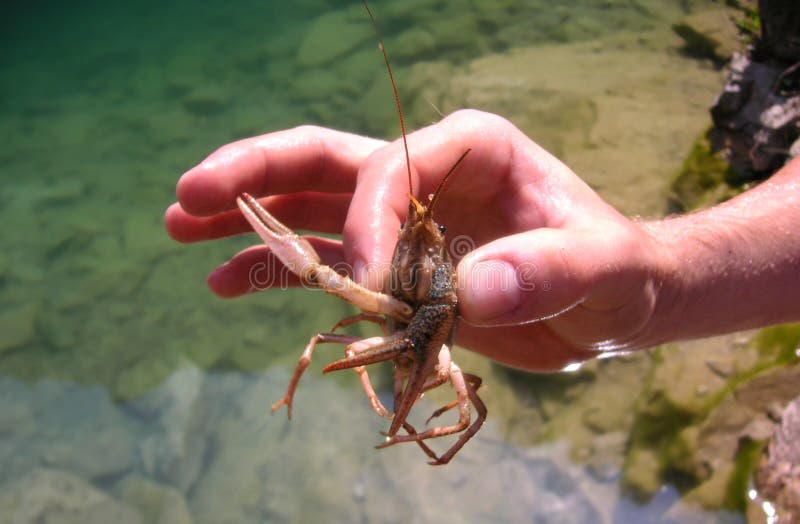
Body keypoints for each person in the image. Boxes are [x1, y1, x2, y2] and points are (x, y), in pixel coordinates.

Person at [164, 109, 800, 371]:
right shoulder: (413, 249)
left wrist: (659, 282)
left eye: (430, 228)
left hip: (435, 331)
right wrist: (662, 286)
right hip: (406, 324)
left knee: (463, 396)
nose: (420, 232)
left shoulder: (460, 276)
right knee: (321, 328)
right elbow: (335, 281)